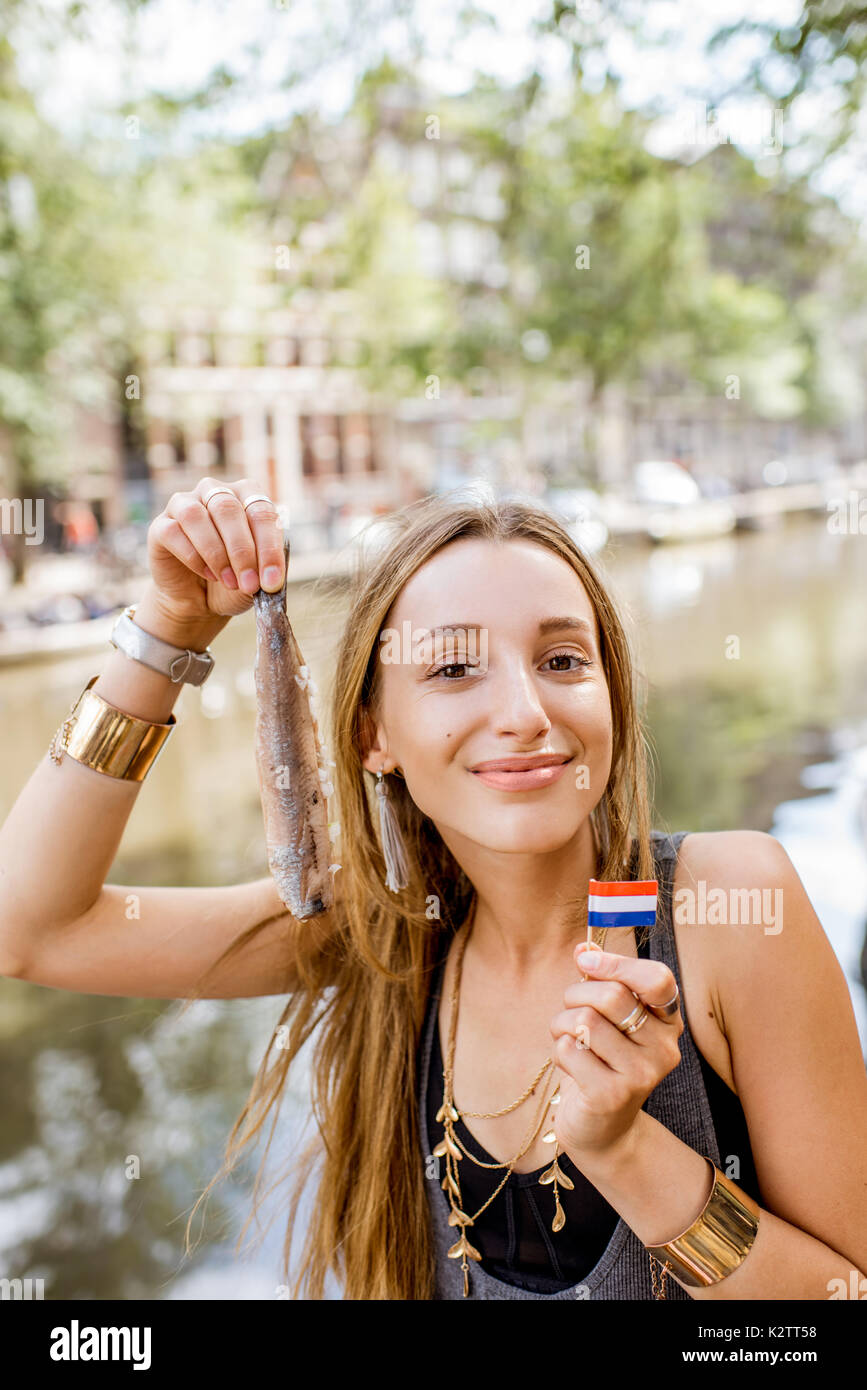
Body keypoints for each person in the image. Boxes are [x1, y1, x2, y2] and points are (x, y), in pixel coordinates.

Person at [0, 477, 865, 1302]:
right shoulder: (381, 929)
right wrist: (168, 631)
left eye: (562, 659)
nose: (526, 710)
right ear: (374, 734)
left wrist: (629, 1152)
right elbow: (32, 927)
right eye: (453, 670)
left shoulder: (724, 904)